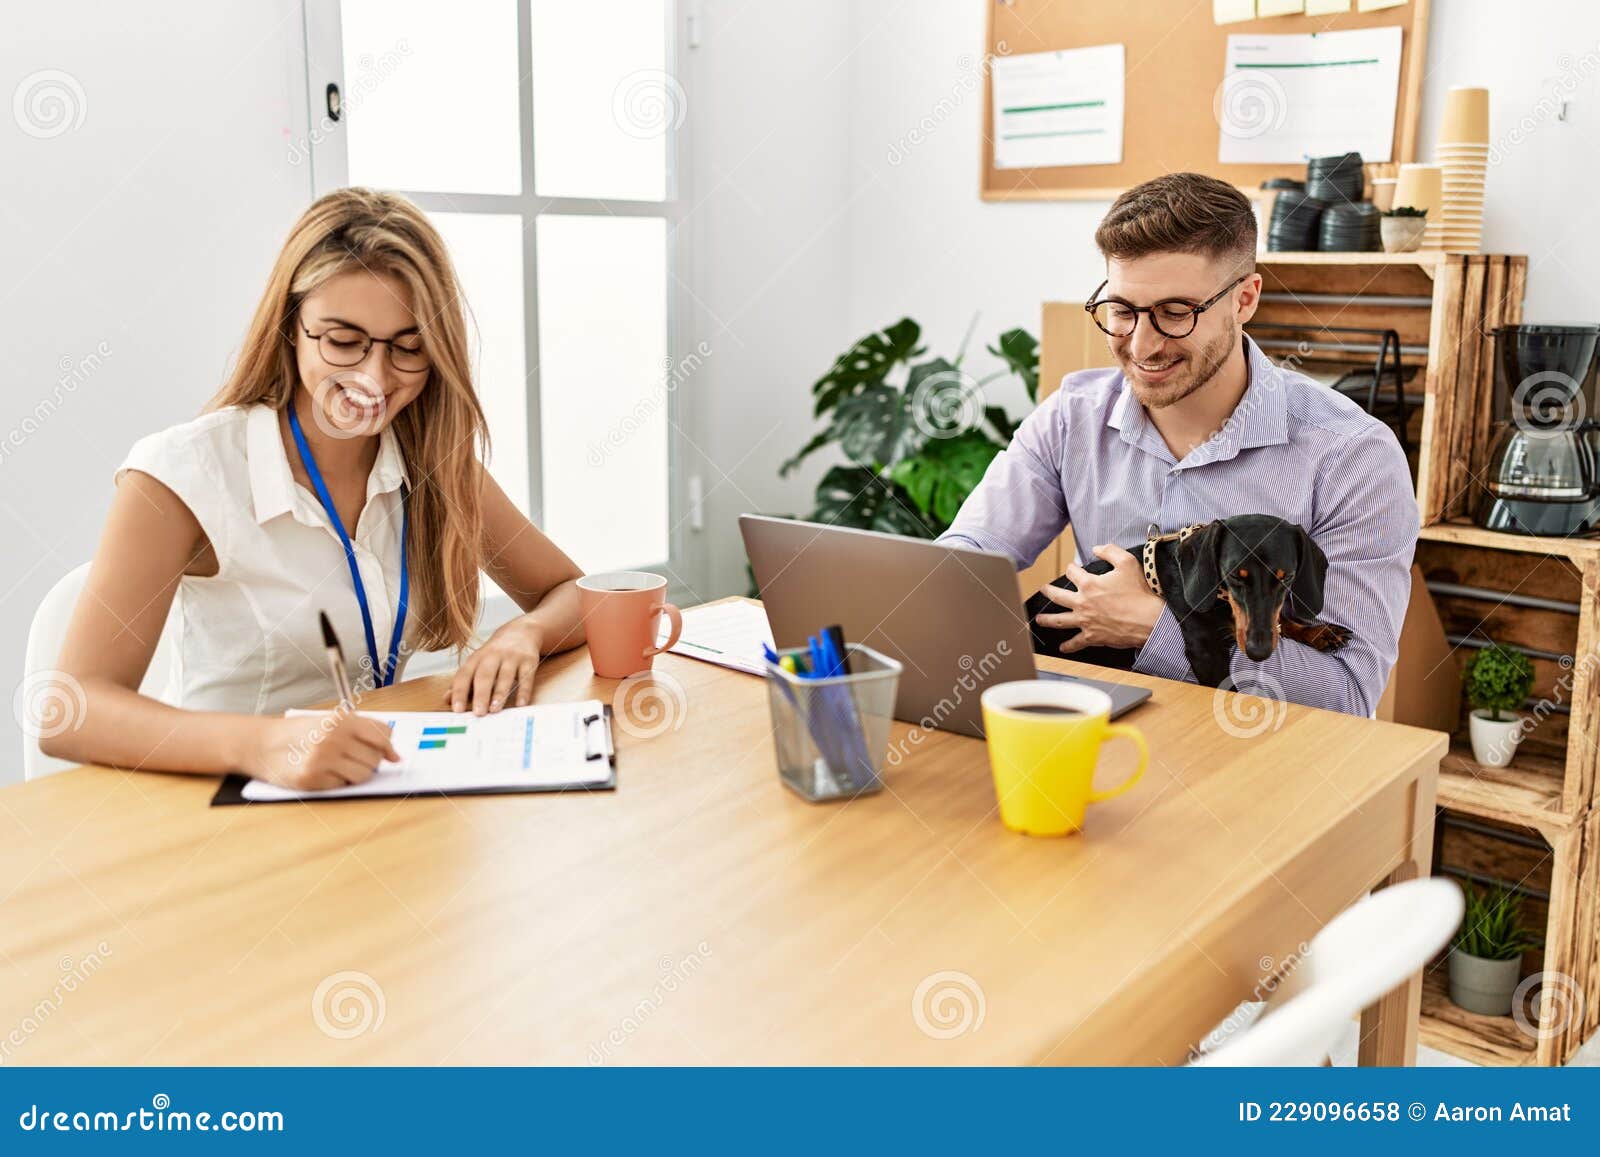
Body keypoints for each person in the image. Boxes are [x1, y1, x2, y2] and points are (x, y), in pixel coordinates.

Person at [43, 188, 586, 789]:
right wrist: (266, 744)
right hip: (222, 804)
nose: (374, 379)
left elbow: (578, 592)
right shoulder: (182, 472)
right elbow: (71, 711)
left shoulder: (432, 461)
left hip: (371, 787)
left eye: (409, 349)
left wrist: (525, 633)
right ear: (290, 327)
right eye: (343, 340)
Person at [938, 172, 1416, 717]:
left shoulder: (1352, 457)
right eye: (1122, 310)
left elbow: (1348, 693)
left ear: (1244, 299)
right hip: (1101, 741)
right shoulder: (1074, 418)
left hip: (1268, 763)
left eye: (1175, 313)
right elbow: (966, 561)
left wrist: (1150, 626)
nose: (1142, 345)